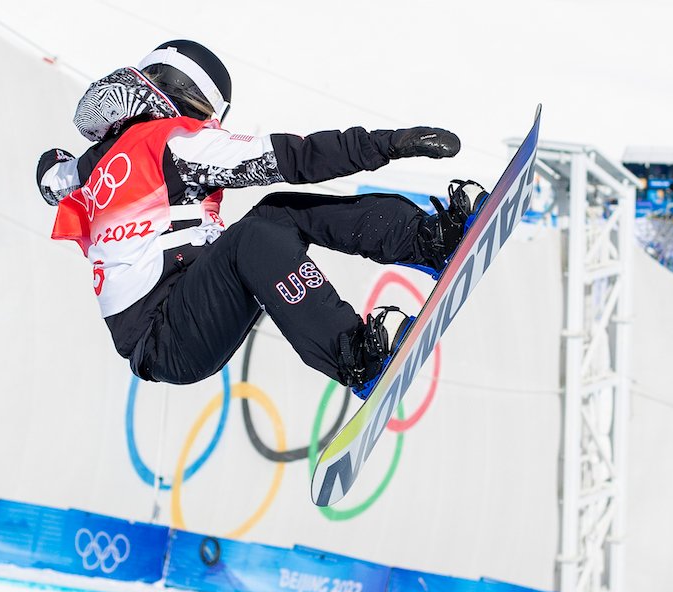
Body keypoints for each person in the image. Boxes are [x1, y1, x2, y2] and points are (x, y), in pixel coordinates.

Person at [36, 40, 486, 399]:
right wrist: (388, 143)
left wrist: (54, 162)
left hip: (170, 324)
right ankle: (355, 354)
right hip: (167, 330)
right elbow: (292, 156)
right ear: (178, 96)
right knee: (255, 235)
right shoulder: (169, 140)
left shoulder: (95, 166)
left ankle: (425, 242)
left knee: (277, 214)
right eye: (204, 114)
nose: (208, 127)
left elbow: (51, 177)